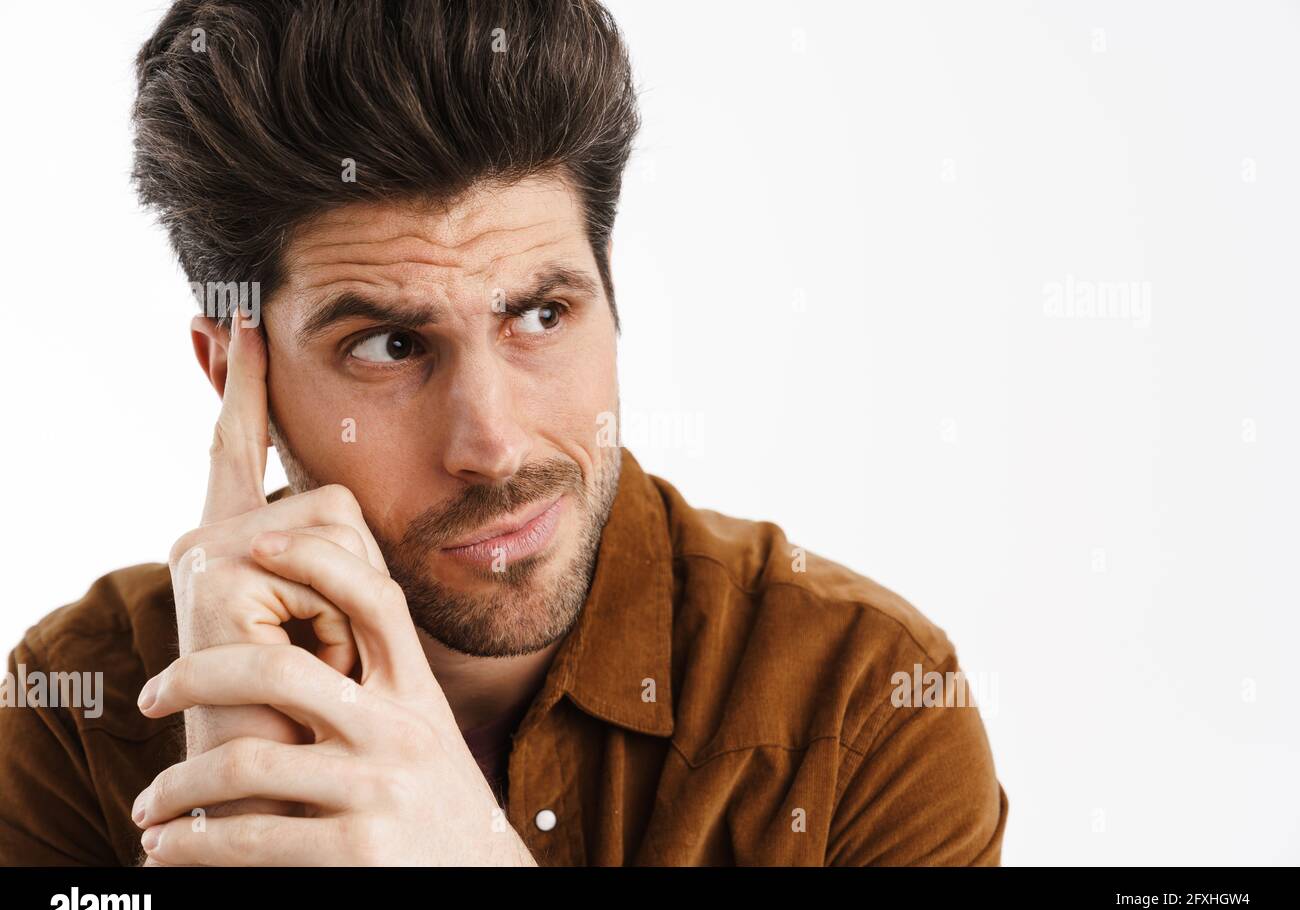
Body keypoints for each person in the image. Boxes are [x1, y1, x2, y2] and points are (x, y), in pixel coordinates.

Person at [0, 0, 1007, 865]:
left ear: (611, 299)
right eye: (390, 345)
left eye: (537, 315)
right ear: (238, 380)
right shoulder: (76, 711)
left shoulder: (863, 702)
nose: (493, 445)